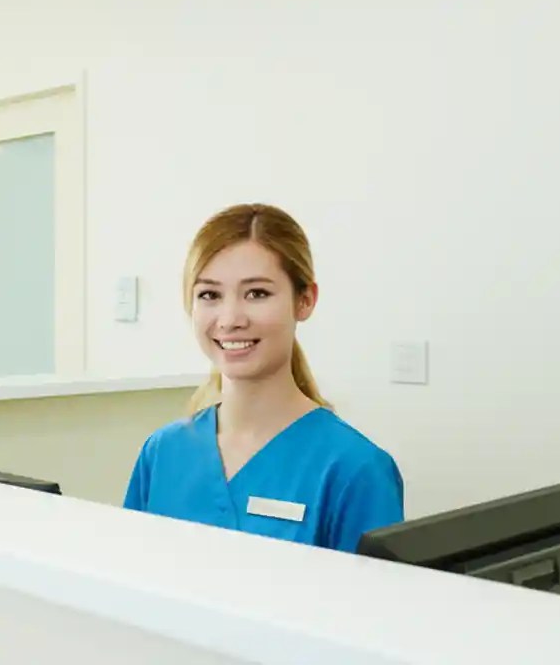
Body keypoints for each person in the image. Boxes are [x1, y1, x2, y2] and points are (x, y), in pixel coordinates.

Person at [123, 203, 403, 552]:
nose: (230, 318)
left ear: (305, 301)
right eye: (209, 294)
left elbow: (373, 604)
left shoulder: (354, 469)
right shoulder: (162, 454)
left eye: (257, 293)